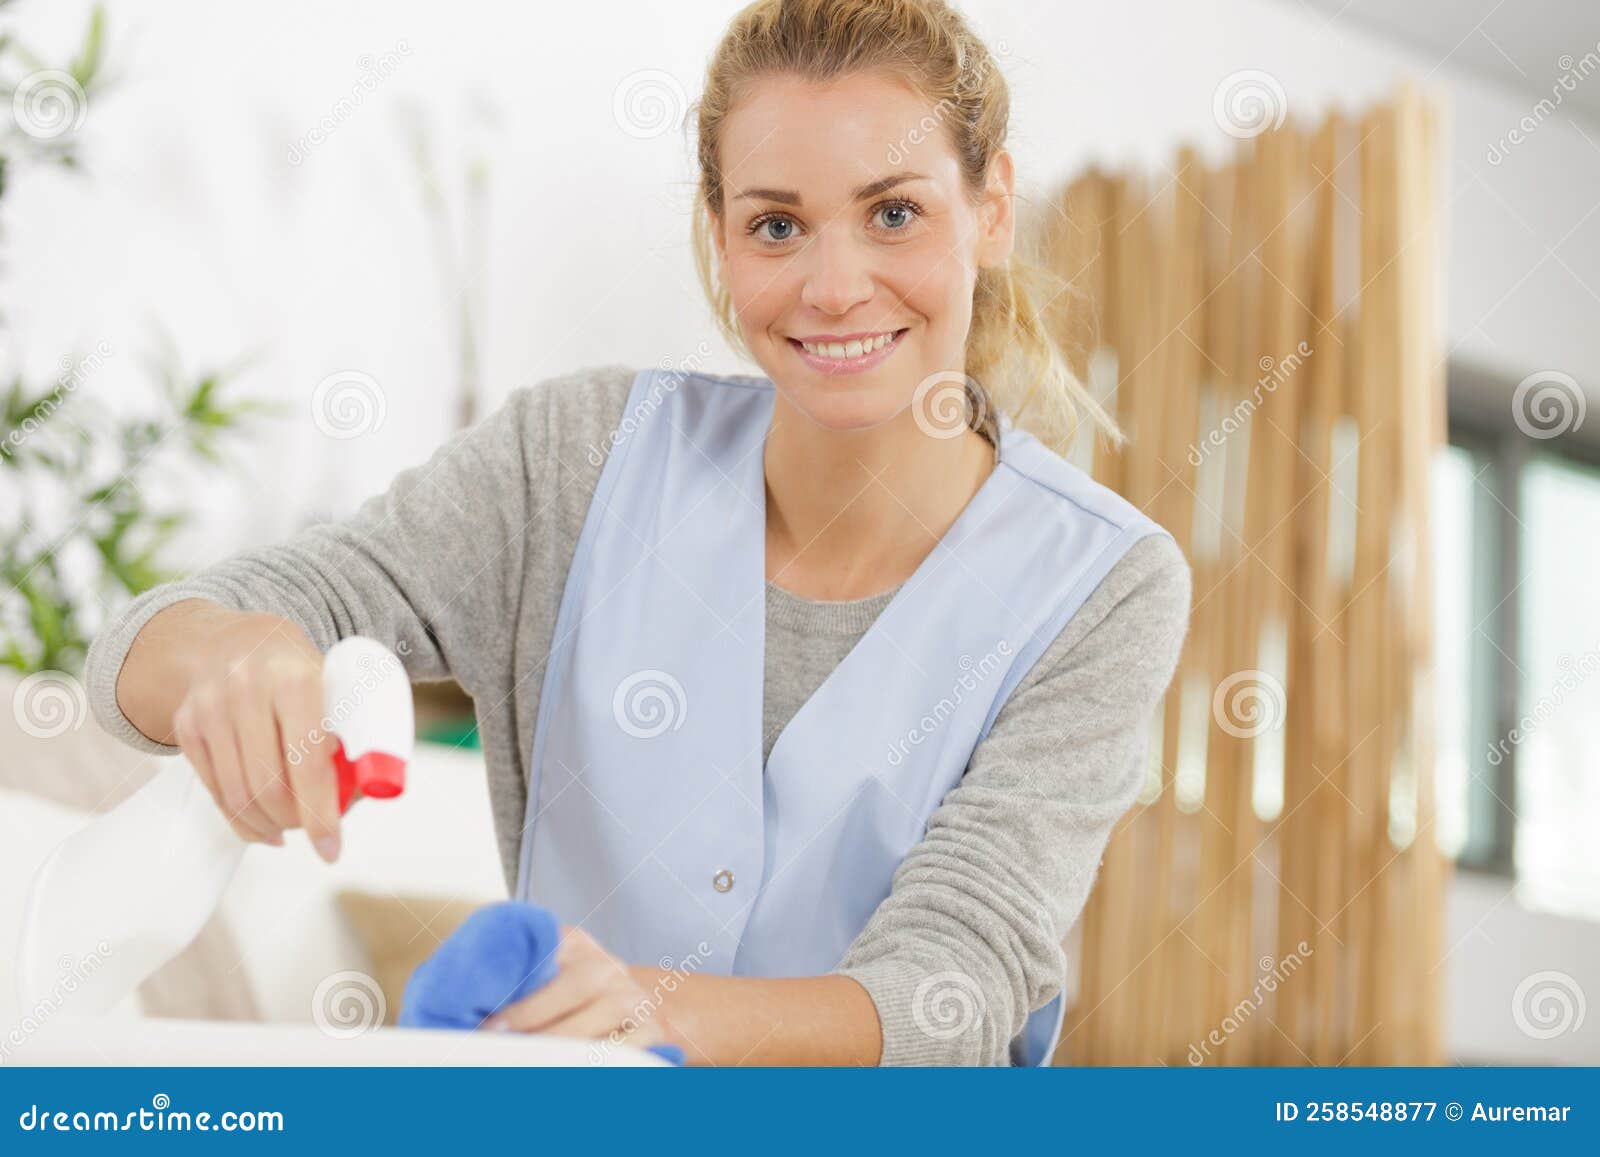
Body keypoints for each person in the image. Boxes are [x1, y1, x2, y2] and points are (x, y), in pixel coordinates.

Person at [84, 0, 1191, 1066]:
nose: (835, 283)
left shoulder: (1101, 580)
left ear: (991, 207)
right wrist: (229, 652)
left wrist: (650, 1008)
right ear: (719, 234)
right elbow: (137, 653)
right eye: (776, 224)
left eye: (893, 212)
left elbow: (955, 983)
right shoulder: (574, 458)